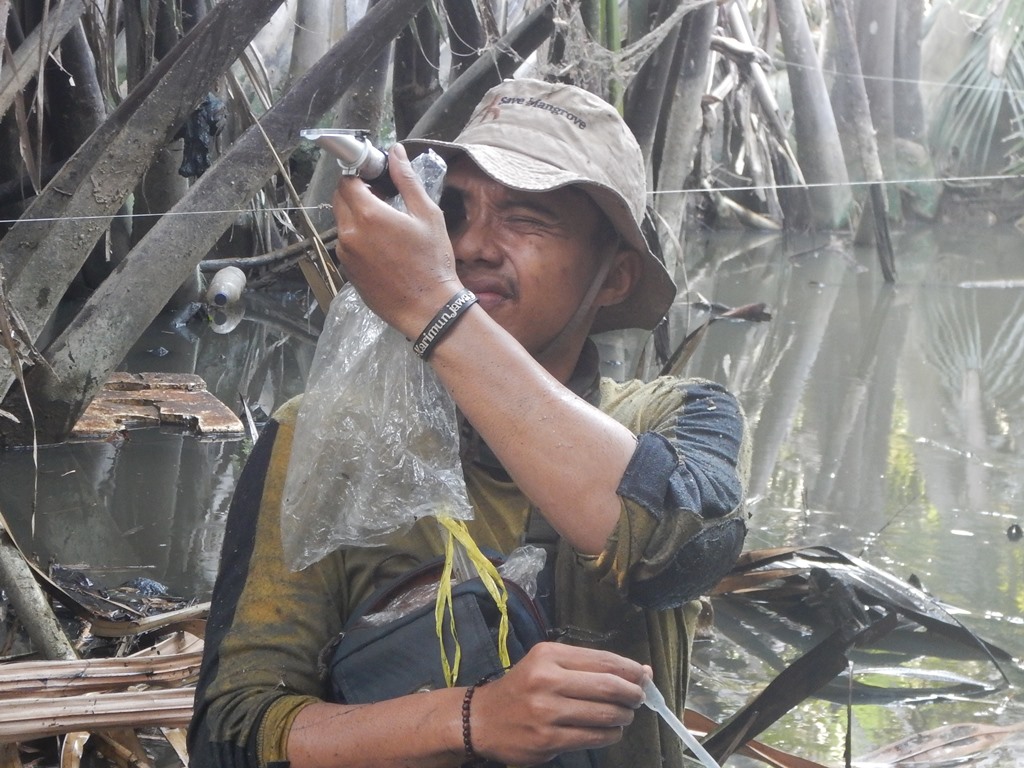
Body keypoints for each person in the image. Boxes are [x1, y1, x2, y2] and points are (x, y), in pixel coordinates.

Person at [188, 78, 749, 768]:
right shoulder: (324, 437)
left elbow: (674, 552)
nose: (472, 245)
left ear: (615, 278)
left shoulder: (676, 418)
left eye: (526, 216)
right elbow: (234, 736)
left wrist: (435, 309)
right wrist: (468, 718)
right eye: (453, 212)